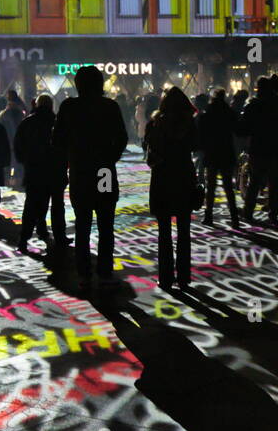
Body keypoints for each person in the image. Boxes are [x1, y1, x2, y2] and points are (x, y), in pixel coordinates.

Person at [52, 66, 128, 289]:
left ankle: (84, 272)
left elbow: (57, 140)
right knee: (106, 223)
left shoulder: (69, 107)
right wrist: (109, 158)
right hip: (103, 170)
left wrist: (71, 157)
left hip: (80, 172)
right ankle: (105, 271)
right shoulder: (109, 106)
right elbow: (122, 137)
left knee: (82, 225)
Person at [144, 87, 199, 290]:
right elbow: (196, 145)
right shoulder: (189, 124)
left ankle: (166, 277)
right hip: (183, 176)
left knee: (164, 232)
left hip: (162, 177)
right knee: (184, 231)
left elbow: (148, 150)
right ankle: (183, 276)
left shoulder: (155, 124)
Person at [13, 94, 69, 252]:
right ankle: (59, 236)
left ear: (37, 105)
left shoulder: (28, 122)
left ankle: (24, 238)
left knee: (32, 204)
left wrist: (25, 162)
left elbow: (18, 146)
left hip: (34, 171)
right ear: (51, 105)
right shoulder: (58, 122)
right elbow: (66, 146)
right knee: (57, 205)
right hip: (56, 171)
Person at [238, 77, 278, 223]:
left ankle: (248, 211)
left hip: (258, 148)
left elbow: (244, 128)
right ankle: (273, 213)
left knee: (254, 182)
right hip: (276, 148)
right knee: (274, 182)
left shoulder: (253, 105)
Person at [197, 88, 240, 225]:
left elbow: (201, 134)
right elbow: (238, 130)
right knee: (228, 186)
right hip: (226, 152)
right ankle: (234, 217)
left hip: (212, 153)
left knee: (211, 186)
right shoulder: (229, 113)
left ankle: (208, 215)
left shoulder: (207, 114)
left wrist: (201, 149)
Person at [0, 90, 26, 188]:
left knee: (10, 162)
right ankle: (18, 179)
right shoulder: (20, 112)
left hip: (9, 141)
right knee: (18, 162)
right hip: (18, 141)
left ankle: (10, 180)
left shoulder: (5, 113)